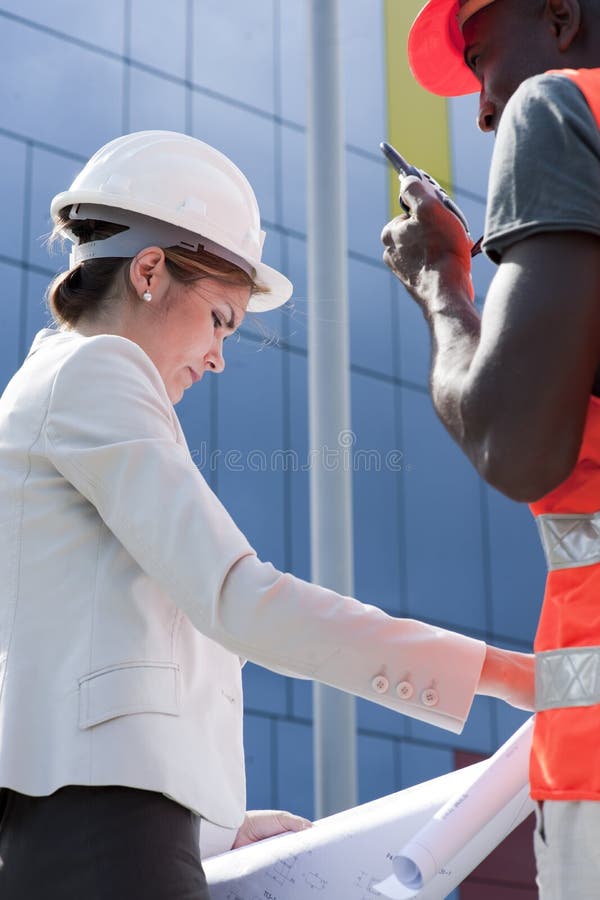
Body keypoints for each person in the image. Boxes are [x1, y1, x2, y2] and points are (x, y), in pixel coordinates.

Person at [0, 129, 531, 900]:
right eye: (220, 318)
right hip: (103, 844)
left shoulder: (55, 388)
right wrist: (510, 674)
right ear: (149, 271)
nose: (218, 356)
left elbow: (82, 657)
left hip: (96, 836)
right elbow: (241, 601)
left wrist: (215, 825)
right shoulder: (97, 371)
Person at [380, 0, 600, 896]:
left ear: (559, 16)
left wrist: (442, 284)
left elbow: (514, 442)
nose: (481, 105)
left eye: (479, 58)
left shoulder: (561, 108)